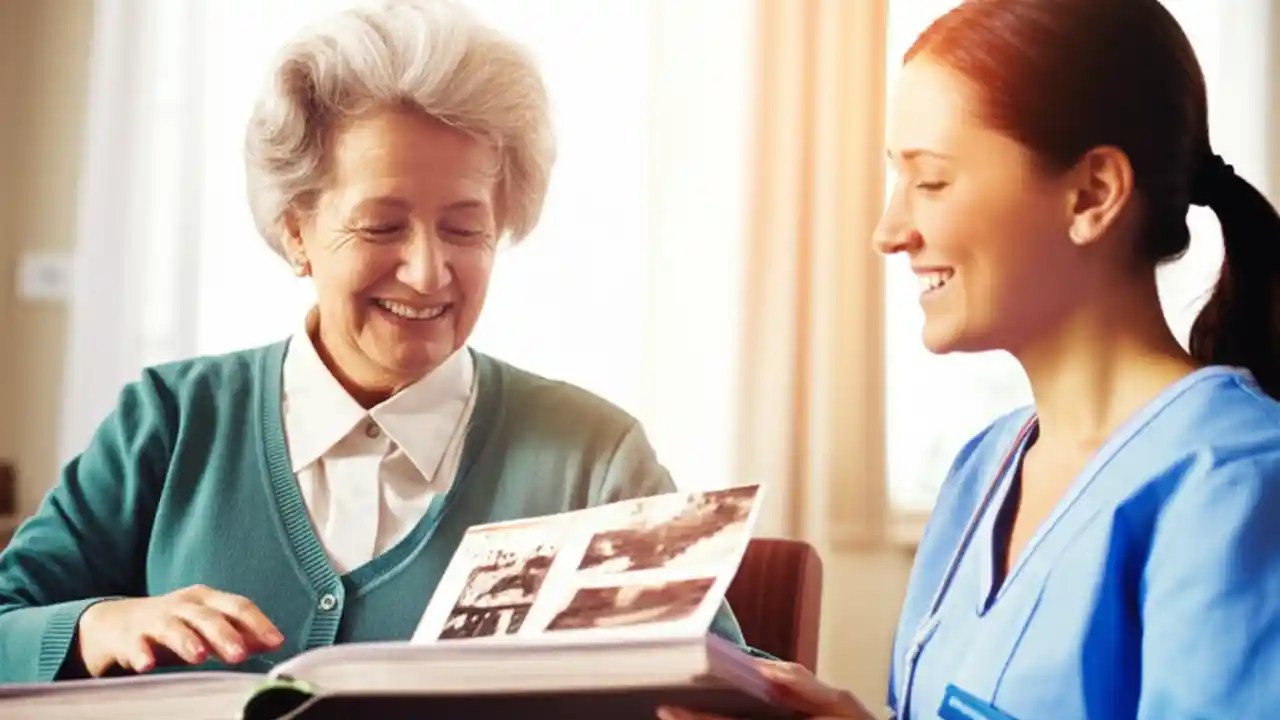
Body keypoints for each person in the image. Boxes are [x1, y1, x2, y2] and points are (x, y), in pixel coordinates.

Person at [0, 0, 750, 683]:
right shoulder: (168, 421)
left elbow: (719, 681)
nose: (427, 273)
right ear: (296, 231)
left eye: (464, 228)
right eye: (381, 225)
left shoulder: (594, 457)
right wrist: (99, 621)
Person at [659, 0, 1280, 718]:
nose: (889, 231)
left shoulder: (1235, 484)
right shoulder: (983, 470)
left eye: (930, 182)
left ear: (1092, 193)